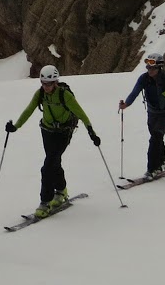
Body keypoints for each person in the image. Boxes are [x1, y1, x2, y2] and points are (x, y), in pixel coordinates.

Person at [6, 65, 100, 216]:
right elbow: (29, 110)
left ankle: (45, 202)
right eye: (43, 83)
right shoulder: (40, 94)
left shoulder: (65, 95)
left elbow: (81, 114)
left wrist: (92, 132)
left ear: (56, 82)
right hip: (47, 132)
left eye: (49, 84)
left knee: (47, 166)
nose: (46, 87)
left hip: (64, 133)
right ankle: (61, 190)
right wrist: (16, 126)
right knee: (54, 162)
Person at [118, 52, 165, 177]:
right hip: (152, 113)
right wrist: (126, 104)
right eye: (148, 67)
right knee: (157, 138)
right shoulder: (144, 78)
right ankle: (162, 163)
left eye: (152, 67)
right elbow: (135, 92)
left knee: (155, 137)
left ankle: (152, 169)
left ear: (159, 67)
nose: (150, 70)